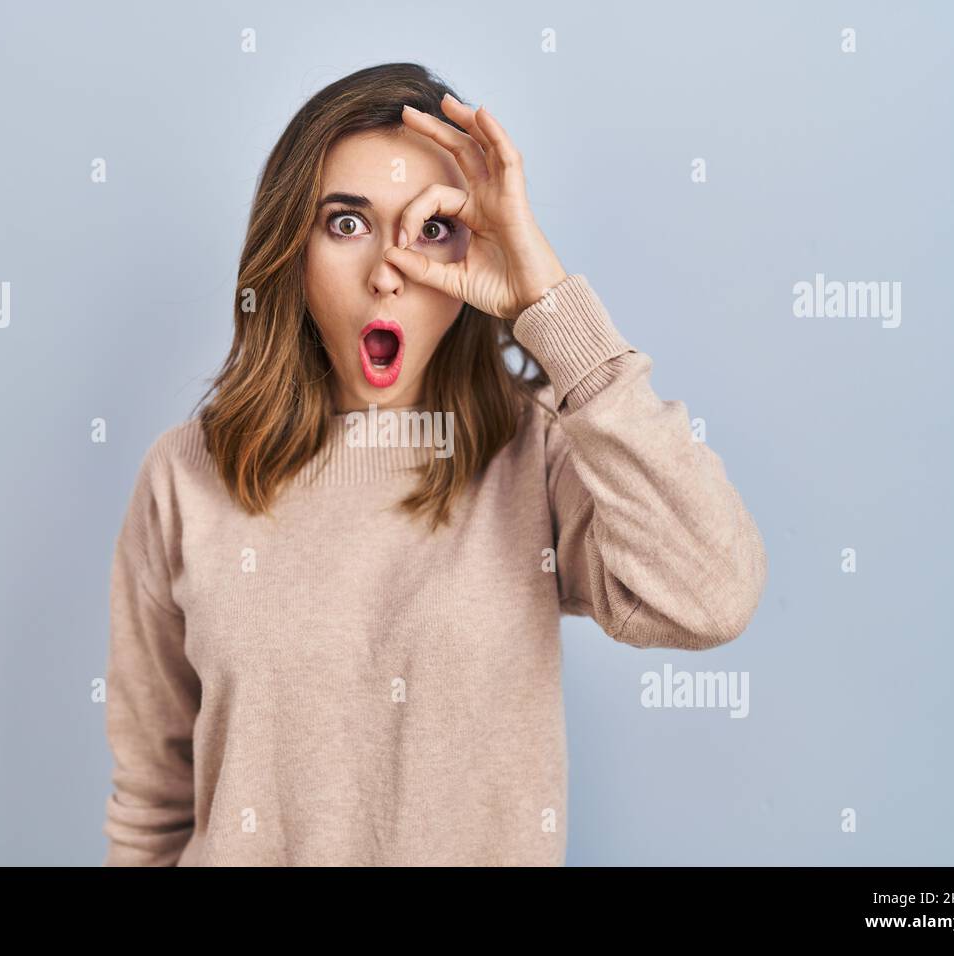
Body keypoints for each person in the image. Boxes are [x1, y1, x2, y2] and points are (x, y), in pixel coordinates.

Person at [102, 62, 767, 866]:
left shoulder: (541, 454)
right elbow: (153, 806)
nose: (388, 273)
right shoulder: (184, 476)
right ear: (292, 249)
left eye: (431, 228)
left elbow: (710, 596)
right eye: (347, 223)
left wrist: (548, 303)